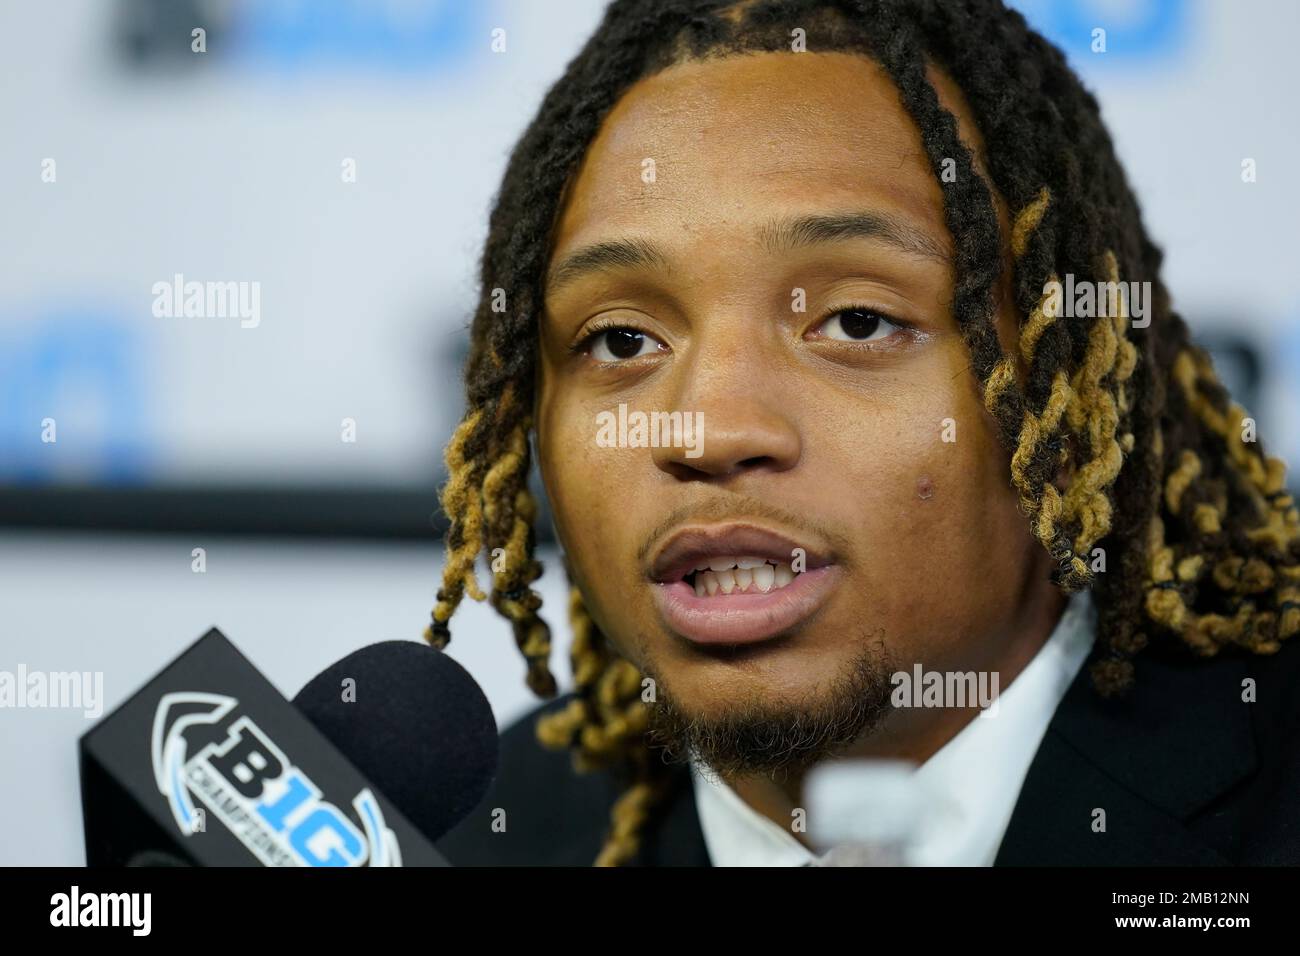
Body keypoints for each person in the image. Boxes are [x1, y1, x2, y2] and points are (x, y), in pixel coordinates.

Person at [429, 0, 1300, 866]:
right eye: (623, 341)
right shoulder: (472, 840)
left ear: (1062, 384)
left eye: (855, 323)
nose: (713, 431)